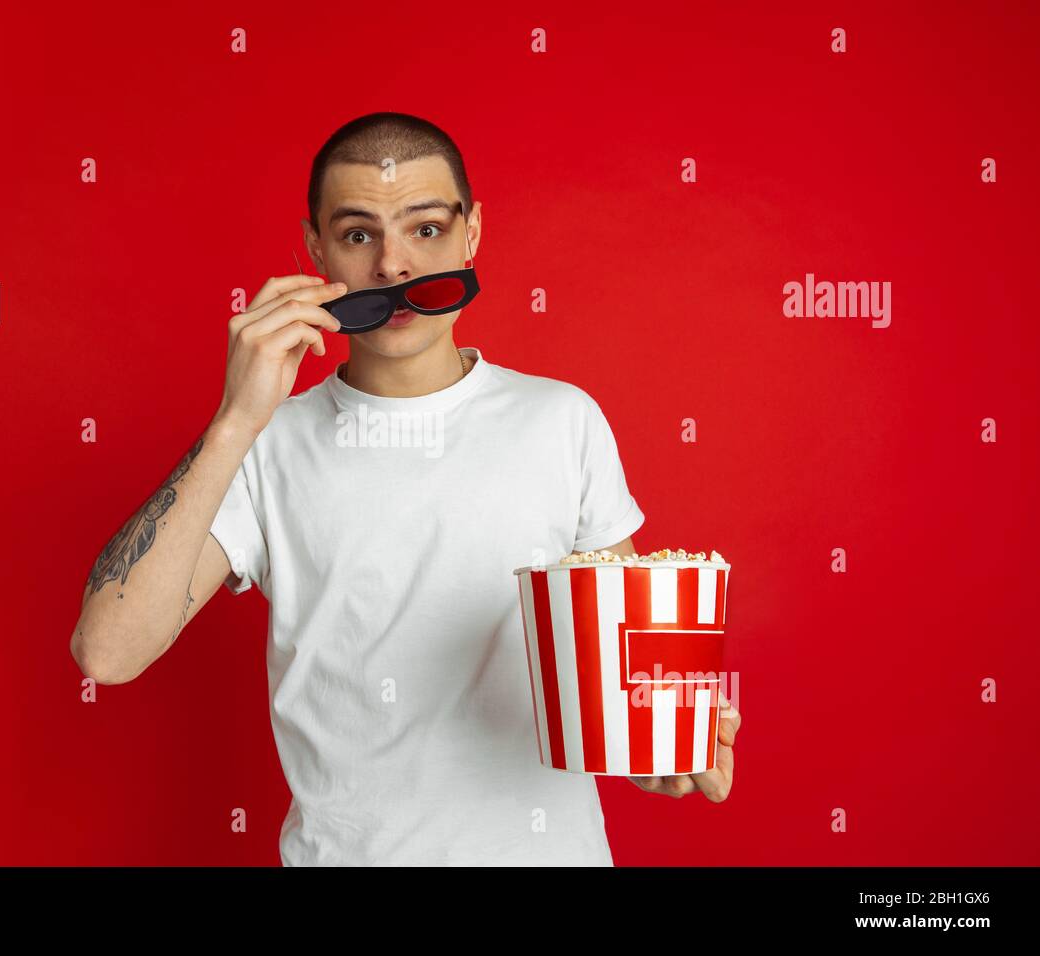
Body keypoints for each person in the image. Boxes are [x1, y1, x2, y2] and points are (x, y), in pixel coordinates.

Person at [70, 112, 739, 866]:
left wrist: (664, 745)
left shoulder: (562, 420)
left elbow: (623, 668)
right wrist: (236, 421)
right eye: (359, 235)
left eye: (424, 230)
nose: (393, 266)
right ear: (316, 248)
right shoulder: (265, 445)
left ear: (471, 236)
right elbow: (108, 653)